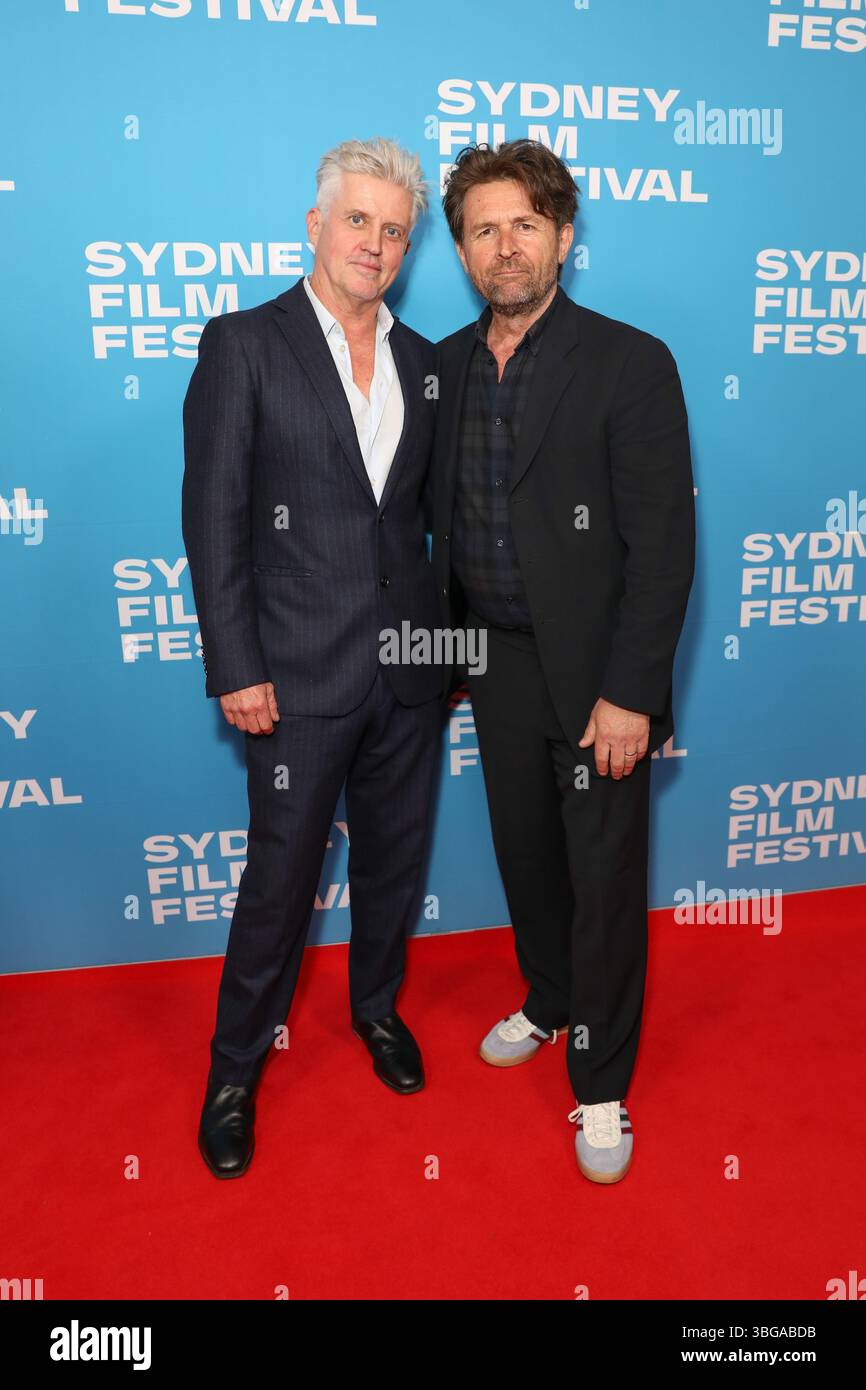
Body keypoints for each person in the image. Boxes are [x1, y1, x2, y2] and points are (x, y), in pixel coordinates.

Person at [431, 140, 695, 1183]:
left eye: (524, 225)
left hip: (595, 680)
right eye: (483, 228)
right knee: (526, 856)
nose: (505, 247)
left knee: (600, 874)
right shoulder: (443, 365)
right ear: (459, 249)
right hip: (492, 665)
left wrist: (629, 690)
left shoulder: (631, 362)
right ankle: (546, 1000)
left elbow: (661, 547)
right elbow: (435, 527)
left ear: (563, 238)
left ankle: (599, 1085)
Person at [182, 137, 444, 1179]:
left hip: (409, 673)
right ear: (314, 225)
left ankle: (375, 1010)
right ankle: (234, 1069)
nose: (372, 244)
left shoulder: (424, 362)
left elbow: (430, 528)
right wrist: (235, 665)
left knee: (393, 862)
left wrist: (449, 649)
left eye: (392, 229)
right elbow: (215, 518)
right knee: (279, 881)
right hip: (291, 676)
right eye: (356, 221)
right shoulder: (245, 343)